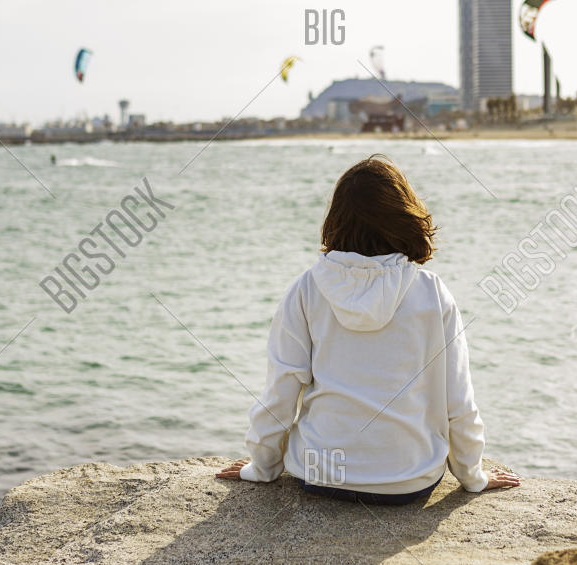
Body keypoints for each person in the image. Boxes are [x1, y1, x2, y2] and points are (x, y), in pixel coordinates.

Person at [216, 155, 519, 505]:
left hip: (321, 474)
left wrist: (262, 466)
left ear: (335, 221)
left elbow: (281, 391)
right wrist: (472, 476)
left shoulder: (307, 288)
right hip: (409, 478)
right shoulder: (432, 292)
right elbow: (458, 400)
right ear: (406, 216)